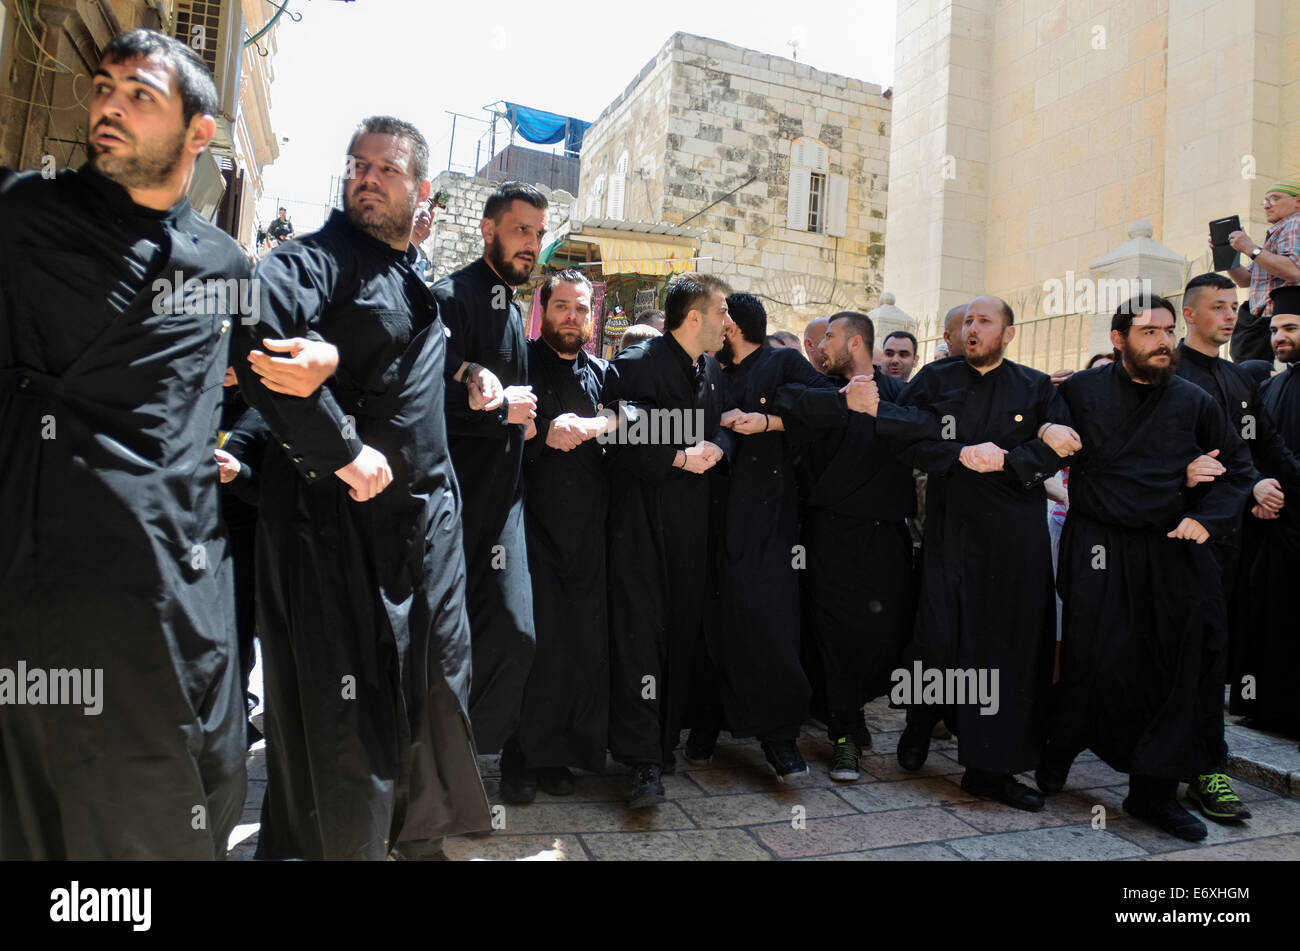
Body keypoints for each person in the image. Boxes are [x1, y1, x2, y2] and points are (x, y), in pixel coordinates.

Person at [0, 28, 250, 859]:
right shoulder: (23, 215)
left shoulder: (221, 264)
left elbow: (258, 376)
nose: (108, 104)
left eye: (140, 94)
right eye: (104, 87)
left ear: (198, 131)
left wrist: (324, 402)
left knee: (193, 775)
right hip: (49, 558)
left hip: (176, 578)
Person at [232, 115, 499, 860]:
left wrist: (467, 373)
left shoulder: (415, 279)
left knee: (435, 686)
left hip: (420, 533)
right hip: (333, 529)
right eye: (358, 165)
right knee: (337, 713)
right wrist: (340, 445)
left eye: (386, 168)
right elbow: (252, 324)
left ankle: (415, 836)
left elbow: (401, 361)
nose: (367, 177)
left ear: (420, 192)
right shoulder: (316, 259)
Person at [1043, 296, 1254, 841]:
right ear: (1119, 340)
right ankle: (1061, 747)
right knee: (1096, 659)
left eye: (1167, 330)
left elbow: (1237, 471)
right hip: (1099, 547)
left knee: (1171, 667)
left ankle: (1151, 792)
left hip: (1172, 549)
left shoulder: (1194, 399)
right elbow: (1049, 455)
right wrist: (1044, 434)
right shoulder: (1080, 394)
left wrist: (1205, 518)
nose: (1162, 341)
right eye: (1148, 331)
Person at [893, 295, 1079, 812]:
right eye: (967, 322)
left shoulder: (1035, 386)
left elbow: (1058, 447)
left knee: (1006, 648)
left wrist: (1010, 464)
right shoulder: (934, 380)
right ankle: (920, 722)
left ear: (1008, 333)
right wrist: (957, 456)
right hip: (951, 533)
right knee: (938, 637)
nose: (972, 329)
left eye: (984, 321)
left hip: (1015, 538)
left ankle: (988, 769)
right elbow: (905, 439)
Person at [602, 273, 736, 807]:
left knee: (680, 632)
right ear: (695, 316)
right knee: (640, 637)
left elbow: (719, 425)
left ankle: (662, 746)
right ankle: (639, 762)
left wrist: (719, 449)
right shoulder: (635, 366)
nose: (729, 323)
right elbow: (617, 430)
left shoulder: (711, 371)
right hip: (639, 524)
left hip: (690, 526)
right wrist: (679, 456)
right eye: (722, 311)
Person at [777, 312, 927, 780]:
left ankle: (857, 710)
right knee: (835, 636)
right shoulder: (820, 393)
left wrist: (876, 410)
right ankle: (843, 732)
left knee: (885, 634)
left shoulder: (901, 394)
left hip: (886, 536)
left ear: (856, 341)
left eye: (830, 337)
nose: (821, 345)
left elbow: (926, 432)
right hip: (830, 534)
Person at [432, 181, 543, 754]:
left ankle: (466, 757)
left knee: (514, 635)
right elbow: (423, 395)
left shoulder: (517, 307)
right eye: (522, 230)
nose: (533, 245)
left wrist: (520, 422)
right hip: (453, 506)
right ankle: (440, 769)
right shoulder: (449, 297)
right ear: (489, 228)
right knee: (445, 647)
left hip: (504, 504)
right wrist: (496, 410)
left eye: (540, 234)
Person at [707, 294, 837, 781]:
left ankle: (778, 737)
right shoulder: (710, 370)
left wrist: (771, 421)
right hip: (707, 514)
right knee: (712, 621)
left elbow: (832, 405)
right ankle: (708, 723)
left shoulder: (782, 363)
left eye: (720, 317)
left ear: (733, 325)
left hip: (765, 519)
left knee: (767, 622)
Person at [502, 270, 615, 802]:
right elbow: (494, 438)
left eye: (581, 308)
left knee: (578, 644)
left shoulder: (601, 372)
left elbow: (633, 418)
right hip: (529, 525)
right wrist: (545, 434)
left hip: (588, 531)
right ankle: (518, 758)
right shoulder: (519, 363)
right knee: (535, 645)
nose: (572, 316)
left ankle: (559, 757)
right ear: (543, 311)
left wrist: (597, 426)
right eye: (562, 306)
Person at [1233, 284, 1300, 744]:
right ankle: (1266, 708)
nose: (1279, 336)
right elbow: (1250, 448)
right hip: (1267, 521)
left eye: (1290, 328)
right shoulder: (1269, 386)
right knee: (1265, 611)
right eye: (1275, 329)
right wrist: (1258, 489)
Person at [1223, 176, 1300, 361]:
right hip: (1261, 323)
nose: (1266, 205)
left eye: (1274, 199)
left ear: (1298, 202)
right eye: (1265, 201)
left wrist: (1250, 248)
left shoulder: (1294, 223)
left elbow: (1293, 270)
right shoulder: (1277, 232)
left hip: (1277, 320)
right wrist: (1226, 255)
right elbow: (1245, 280)